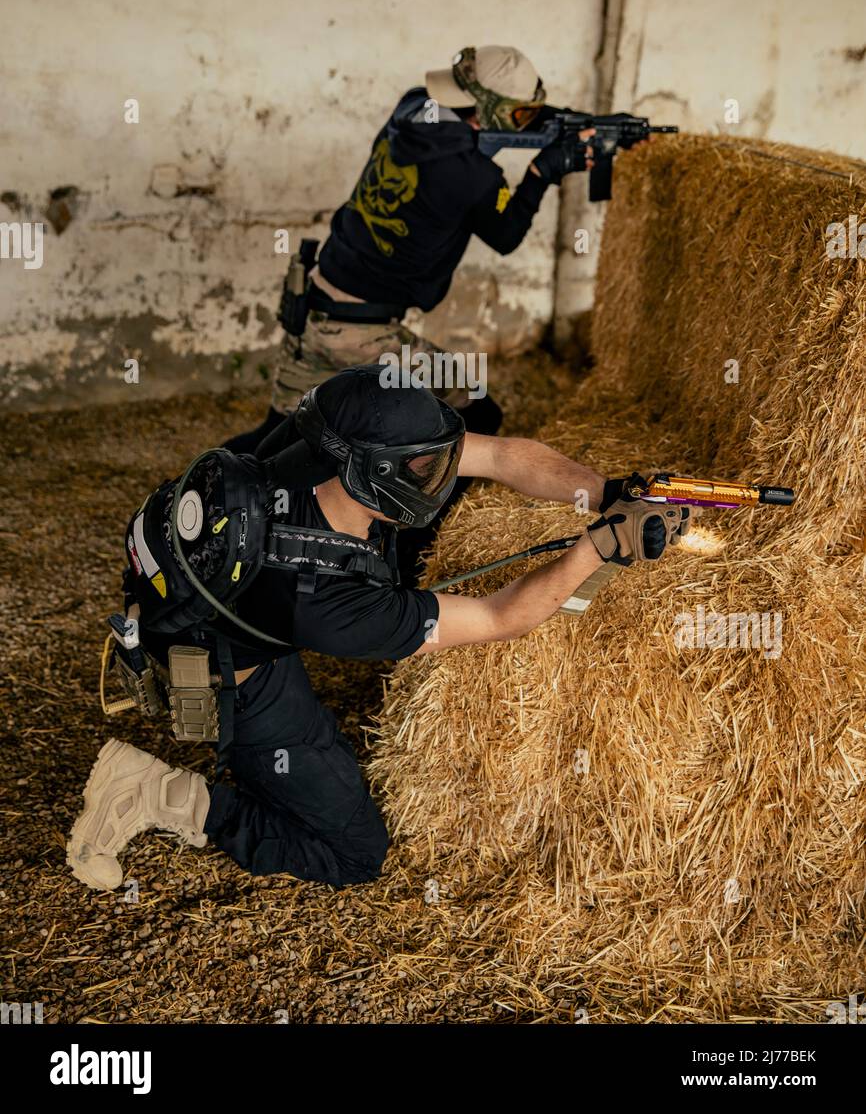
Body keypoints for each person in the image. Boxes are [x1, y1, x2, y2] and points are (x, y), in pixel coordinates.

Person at [68, 365, 670, 894]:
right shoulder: (331, 606)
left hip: (206, 591)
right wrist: (598, 550)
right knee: (355, 853)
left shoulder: (327, 430)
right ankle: (156, 793)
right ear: (373, 473)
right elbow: (498, 616)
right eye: (423, 469)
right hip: (227, 673)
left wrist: (607, 493)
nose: (440, 475)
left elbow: (501, 456)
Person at [226, 45, 594, 454]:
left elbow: (466, 137)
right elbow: (506, 236)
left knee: (272, 440)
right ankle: (421, 501)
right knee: (480, 414)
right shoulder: (474, 177)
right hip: (365, 333)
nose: (524, 121)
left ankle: (190, 486)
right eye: (521, 114)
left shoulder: (412, 108)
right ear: (492, 112)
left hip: (311, 306)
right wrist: (541, 172)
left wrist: (550, 123)